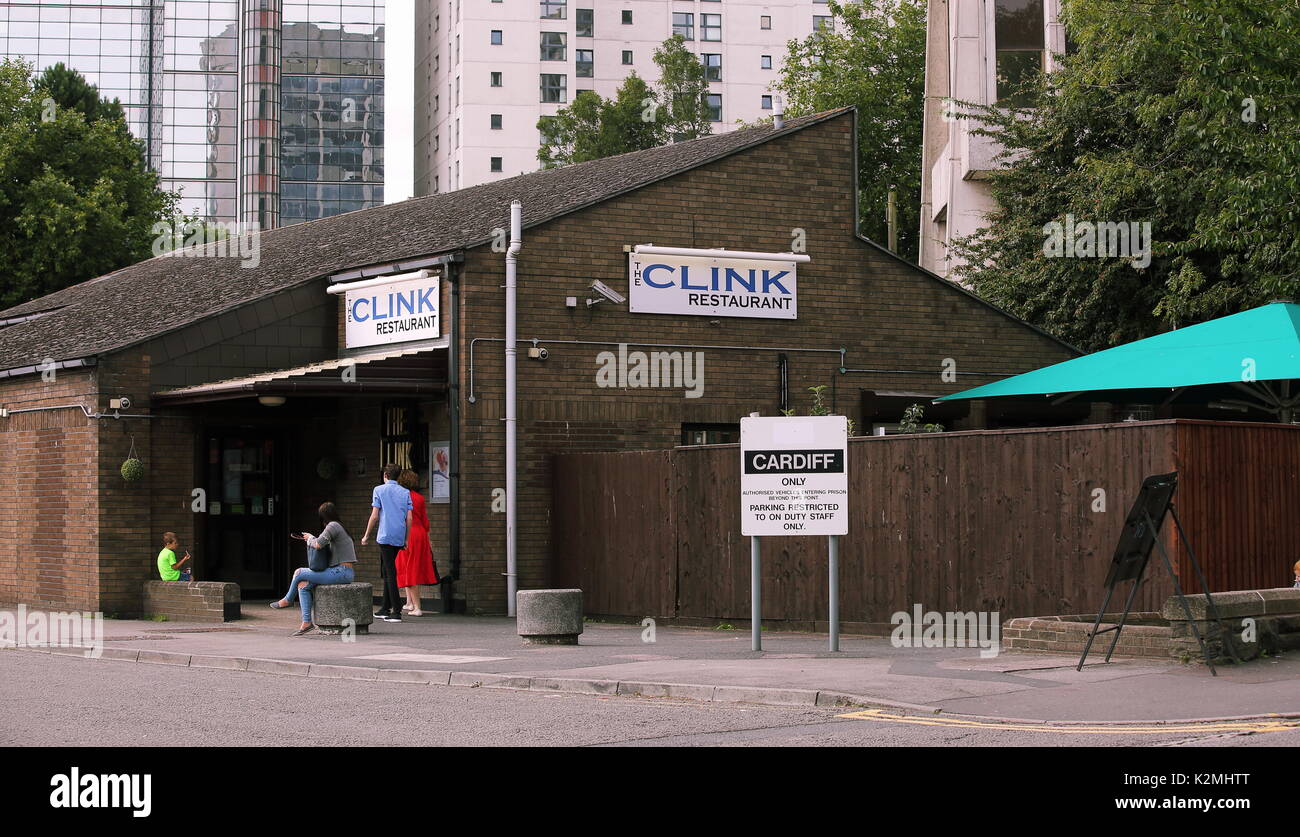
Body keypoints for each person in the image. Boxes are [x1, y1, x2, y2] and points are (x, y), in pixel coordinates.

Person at [270, 502, 356, 636]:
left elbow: (317, 544)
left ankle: (287, 600)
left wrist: (310, 537)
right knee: (303, 585)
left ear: (324, 516)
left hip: (342, 572)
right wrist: (312, 538)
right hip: (341, 572)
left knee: (298, 572)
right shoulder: (339, 526)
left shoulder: (333, 525)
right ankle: (307, 623)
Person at [361, 463, 412, 622]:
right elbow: (409, 518)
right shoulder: (405, 492)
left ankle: (396, 611)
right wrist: (406, 538)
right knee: (387, 568)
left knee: (390, 572)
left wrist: (366, 535)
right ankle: (385, 607)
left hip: (385, 535)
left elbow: (375, 516)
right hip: (399, 535)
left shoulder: (379, 490)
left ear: (385, 476)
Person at [395, 469, 439, 616]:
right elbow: (425, 521)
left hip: (407, 534)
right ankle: (410, 602)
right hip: (420, 534)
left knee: (406, 568)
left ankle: (417, 607)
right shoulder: (419, 498)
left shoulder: (400, 497)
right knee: (411, 567)